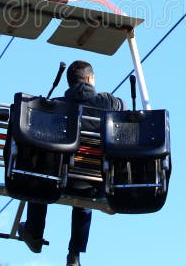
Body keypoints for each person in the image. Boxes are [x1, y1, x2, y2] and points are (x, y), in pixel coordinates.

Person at [18, 60, 125, 266]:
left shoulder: (55, 106)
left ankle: (34, 231)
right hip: (94, 181)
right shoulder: (109, 104)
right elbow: (121, 106)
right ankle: (74, 254)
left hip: (59, 178)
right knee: (87, 192)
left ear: (69, 82)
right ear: (91, 79)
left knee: (40, 173)